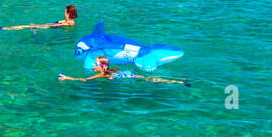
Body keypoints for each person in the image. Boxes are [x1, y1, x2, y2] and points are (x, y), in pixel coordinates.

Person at [58, 55, 189, 86]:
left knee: (151, 80)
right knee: (150, 79)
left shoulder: (101, 74)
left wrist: (68, 78)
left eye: (95, 64)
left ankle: (178, 82)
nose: (93, 66)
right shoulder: (107, 70)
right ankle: (179, 82)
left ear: (102, 66)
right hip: (127, 73)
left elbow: (85, 80)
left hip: (126, 77)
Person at [2, 5, 78, 31]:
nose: (63, 13)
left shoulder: (68, 22)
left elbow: (57, 25)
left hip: (51, 27)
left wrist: (39, 26)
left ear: (68, 13)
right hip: (52, 25)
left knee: (26, 26)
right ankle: (35, 29)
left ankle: (6, 28)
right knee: (32, 25)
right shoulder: (70, 20)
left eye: (64, 12)